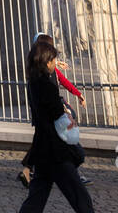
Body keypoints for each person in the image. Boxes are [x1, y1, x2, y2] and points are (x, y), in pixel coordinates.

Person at [4, 40, 118, 213]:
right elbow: (58, 116)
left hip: (44, 152)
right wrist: (68, 115)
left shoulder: (34, 81)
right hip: (56, 154)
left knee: (34, 202)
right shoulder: (46, 84)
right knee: (83, 203)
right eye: (53, 60)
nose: (56, 64)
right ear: (46, 61)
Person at [17, 33, 88, 187]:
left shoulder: (35, 72)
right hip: (50, 117)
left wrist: (77, 94)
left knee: (40, 143)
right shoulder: (45, 77)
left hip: (42, 116)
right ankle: (72, 173)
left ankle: (29, 171)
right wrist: (66, 112)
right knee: (63, 142)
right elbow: (56, 91)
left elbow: (62, 82)